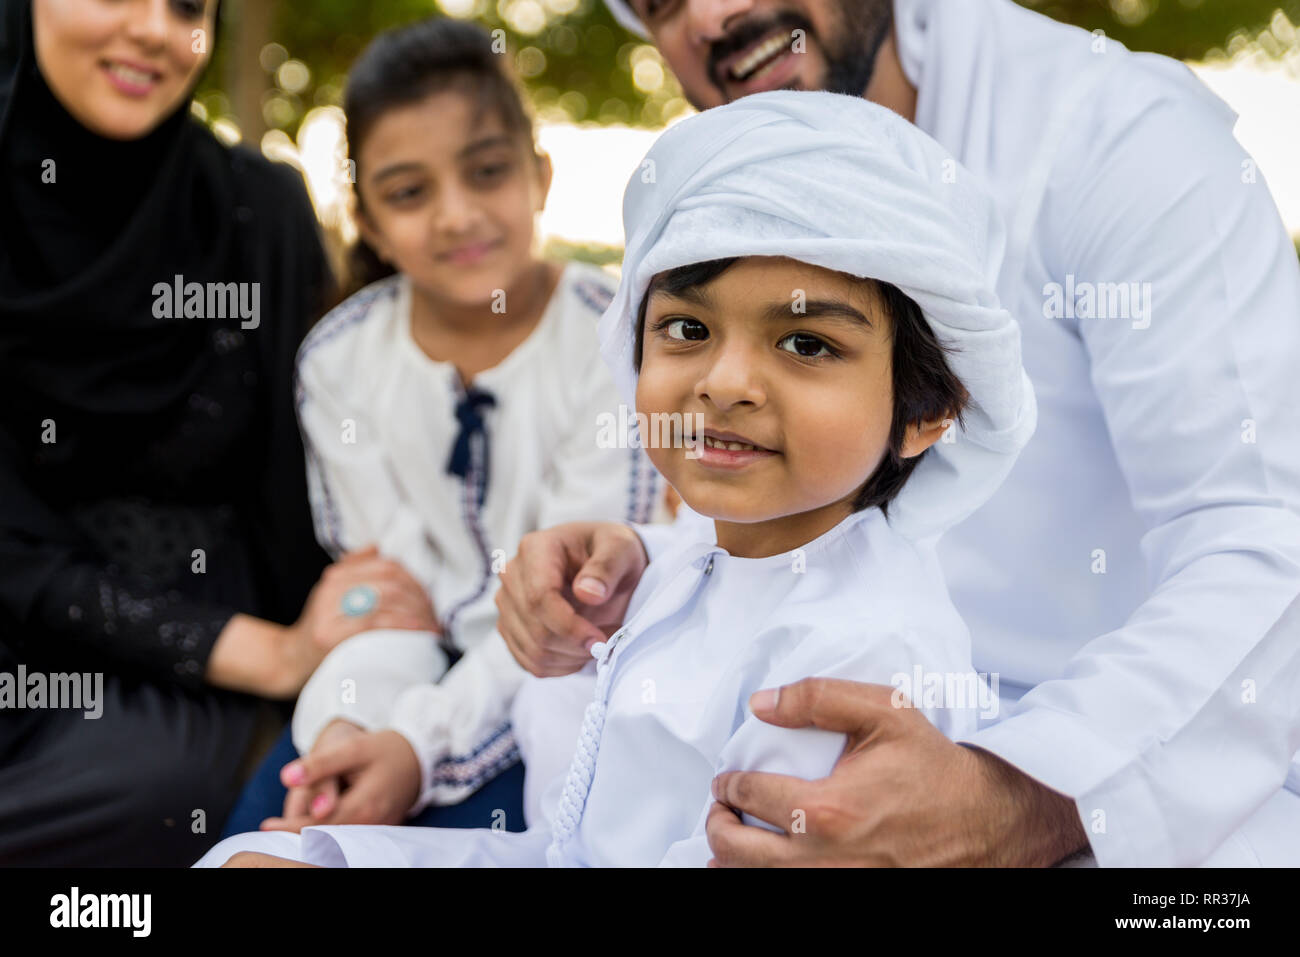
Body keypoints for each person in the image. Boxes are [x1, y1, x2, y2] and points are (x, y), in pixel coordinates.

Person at [495, 0, 1300, 866]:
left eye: (808, 341)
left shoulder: (1121, 134)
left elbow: (1264, 535)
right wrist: (655, 575)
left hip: (1120, 775)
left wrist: (1012, 797)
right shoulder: (742, 168)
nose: (715, 14)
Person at [196, 89, 1038, 868]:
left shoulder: (858, 653)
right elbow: (574, 845)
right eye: (686, 326)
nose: (725, 382)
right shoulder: (681, 560)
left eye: (806, 342)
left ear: (927, 411)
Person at [0, 0, 437, 866]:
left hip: (193, 669)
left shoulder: (252, 209)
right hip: (31, 623)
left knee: (152, 791)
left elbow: (302, 481)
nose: (159, 30)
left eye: (189, 5)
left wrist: (303, 653)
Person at [218, 17, 666, 839]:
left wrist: (417, 750)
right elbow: (392, 602)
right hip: (400, 674)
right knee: (276, 828)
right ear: (372, 224)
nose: (457, 215)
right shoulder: (341, 359)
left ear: (540, 175)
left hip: (569, 682)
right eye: (409, 191)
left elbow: (574, 611)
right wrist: (345, 736)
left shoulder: (619, 342)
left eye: (487, 171)